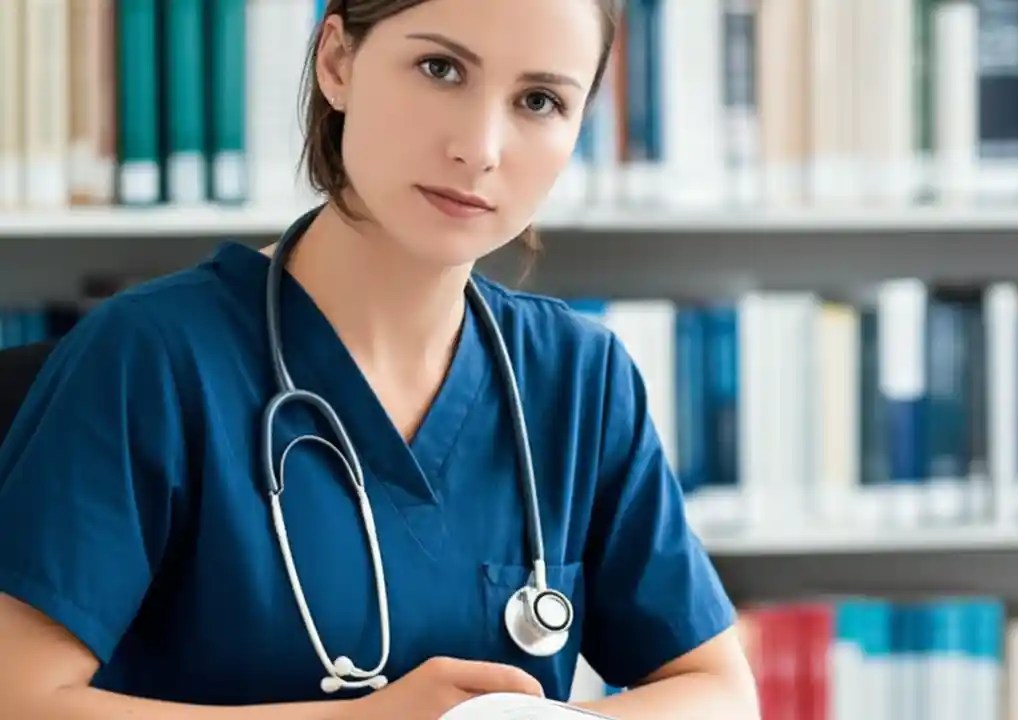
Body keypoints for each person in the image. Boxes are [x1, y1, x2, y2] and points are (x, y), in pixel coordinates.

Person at [0, 1, 759, 718]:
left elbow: (716, 689)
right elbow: (19, 699)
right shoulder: (152, 359)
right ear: (337, 62)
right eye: (441, 69)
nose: (479, 149)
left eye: (538, 102)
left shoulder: (576, 376)